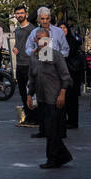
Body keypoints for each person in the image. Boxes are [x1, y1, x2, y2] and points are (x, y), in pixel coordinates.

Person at [27, 9, 72, 169]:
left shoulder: (55, 55)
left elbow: (66, 77)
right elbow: (32, 78)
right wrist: (29, 95)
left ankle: (52, 159)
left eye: (43, 39)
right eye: (38, 39)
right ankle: (63, 156)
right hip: (41, 98)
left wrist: (62, 93)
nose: (41, 42)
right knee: (49, 130)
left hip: (54, 98)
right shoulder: (34, 57)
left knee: (52, 130)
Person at [12, 5, 38, 126]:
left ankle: (34, 118)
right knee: (22, 92)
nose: (20, 15)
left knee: (31, 93)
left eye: (22, 13)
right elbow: (18, 44)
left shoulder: (32, 29)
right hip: (20, 64)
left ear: (26, 14)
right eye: (17, 13)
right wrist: (15, 48)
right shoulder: (17, 30)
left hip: (29, 64)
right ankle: (28, 117)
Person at [59, 21, 83, 130]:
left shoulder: (71, 40)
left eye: (65, 28)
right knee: (66, 98)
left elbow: (67, 54)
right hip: (64, 72)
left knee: (72, 98)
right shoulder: (58, 40)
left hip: (72, 73)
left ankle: (73, 121)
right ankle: (69, 120)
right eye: (60, 28)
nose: (63, 29)